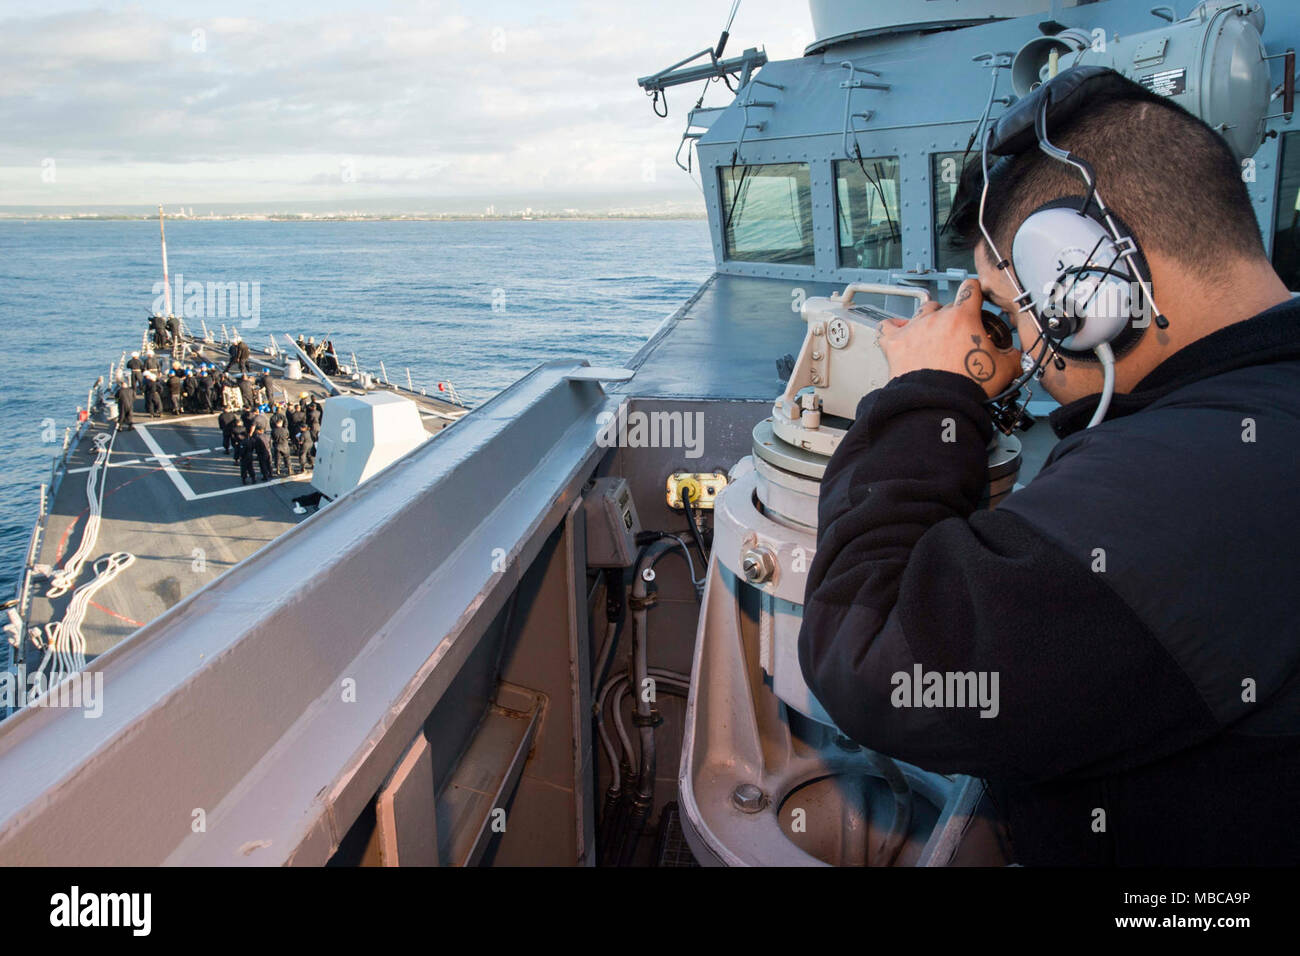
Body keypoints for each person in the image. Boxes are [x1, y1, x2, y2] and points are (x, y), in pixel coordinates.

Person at [797, 70, 1300, 866]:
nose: (1026, 344)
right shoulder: (1250, 416)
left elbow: (871, 657)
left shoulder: (1176, 494)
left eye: (1013, 303)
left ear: (1087, 282)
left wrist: (928, 395)